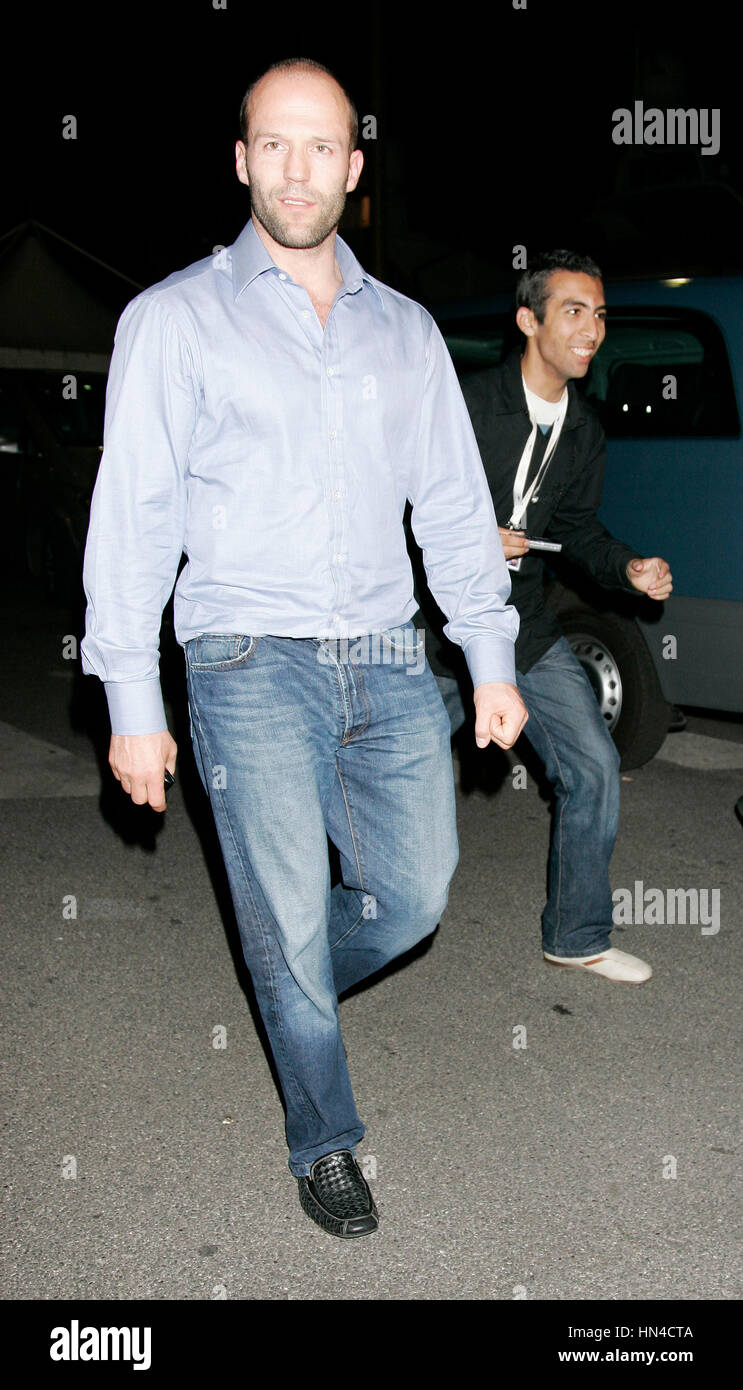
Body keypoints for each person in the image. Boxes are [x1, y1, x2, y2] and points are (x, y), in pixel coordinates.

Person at [80, 57, 527, 1239]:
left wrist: (486, 654)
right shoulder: (171, 318)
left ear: (354, 167)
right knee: (281, 912)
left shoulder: (409, 332)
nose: (295, 168)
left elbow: (447, 500)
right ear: (240, 161)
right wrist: (133, 697)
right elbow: (134, 516)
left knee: (415, 892)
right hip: (243, 661)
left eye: (319, 146)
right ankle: (324, 1137)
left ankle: (285, 988)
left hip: (387, 656)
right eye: (272, 144)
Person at [430, 250, 672, 984]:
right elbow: (396, 510)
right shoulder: (465, 406)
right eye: (573, 311)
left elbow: (576, 531)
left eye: (599, 314)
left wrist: (625, 568)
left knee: (593, 766)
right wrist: (469, 537)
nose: (591, 329)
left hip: (520, 624)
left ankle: (576, 935)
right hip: (428, 627)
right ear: (528, 320)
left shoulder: (585, 430)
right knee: (386, 777)